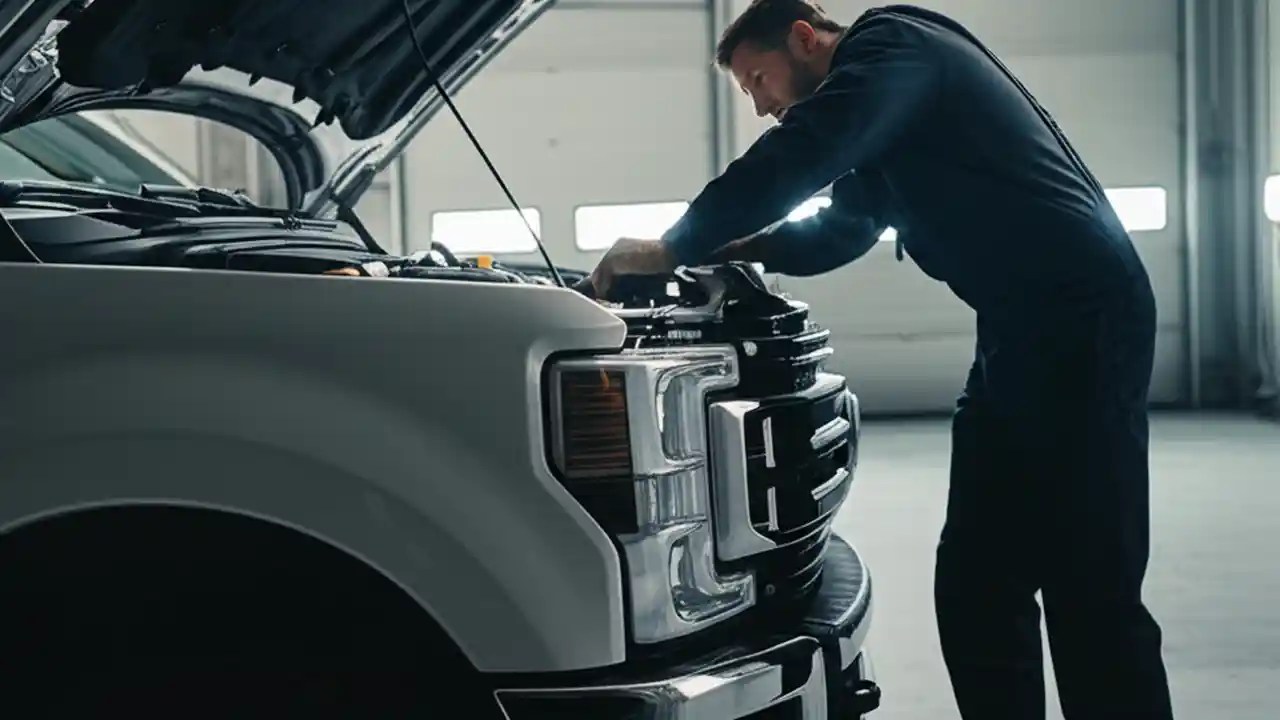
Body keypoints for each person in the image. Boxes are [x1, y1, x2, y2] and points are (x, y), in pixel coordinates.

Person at [581, 2, 1175, 719]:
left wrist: (674, 242)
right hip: (1019, 332)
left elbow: (806, 149)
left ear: (804, 37)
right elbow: (844, 229)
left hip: (1086, 320)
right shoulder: (887, 112)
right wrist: (736, 247)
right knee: (977, 582)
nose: (764, 106)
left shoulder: (897, 49)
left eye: (759, 81)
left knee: (1091, 587)